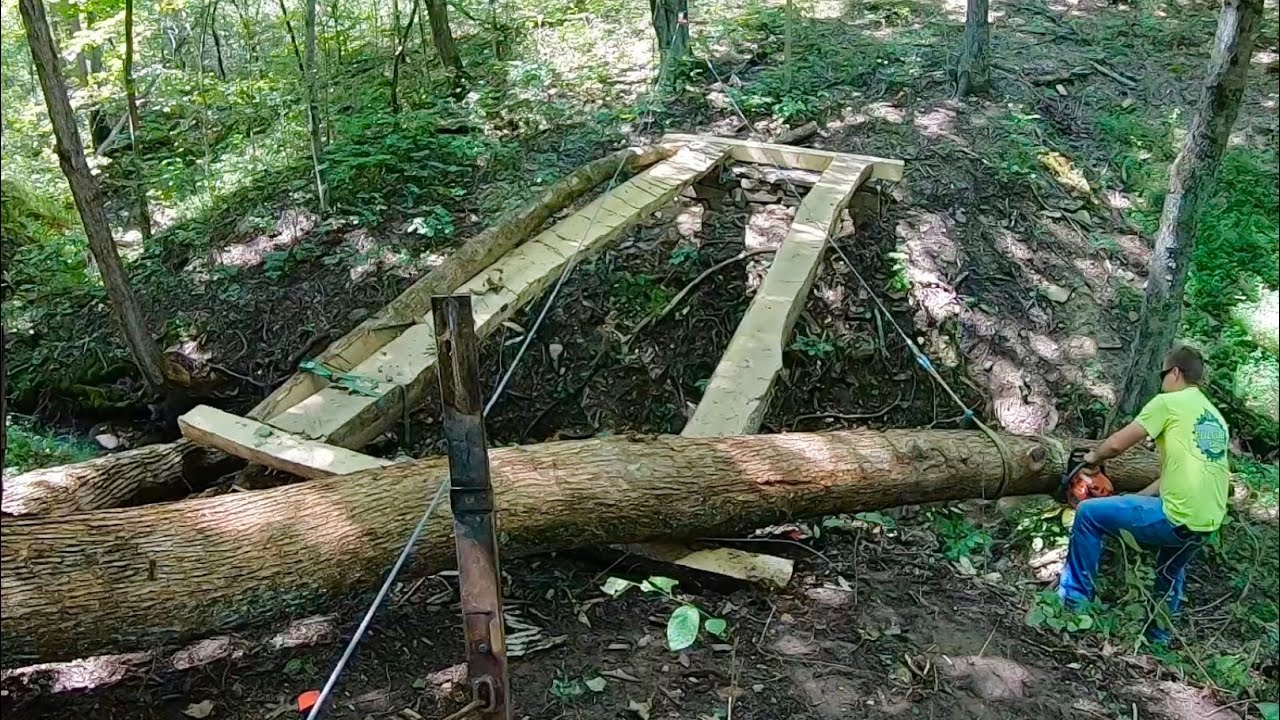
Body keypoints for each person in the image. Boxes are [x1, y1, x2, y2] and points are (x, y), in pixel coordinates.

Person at [1057, 344, 1230, 643]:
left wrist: (1093, 459)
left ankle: (1072, 605)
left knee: (1088, 515)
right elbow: (1170, 477)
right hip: (1208, 519)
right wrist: (1135, 498)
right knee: (1169, 572)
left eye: (1163, 373)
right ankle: (1158, 639)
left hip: (1176, 514)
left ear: (1175, 372)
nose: (1162, 380)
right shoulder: (1213, 416)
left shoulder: (1169, 402)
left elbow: (1116, 445)